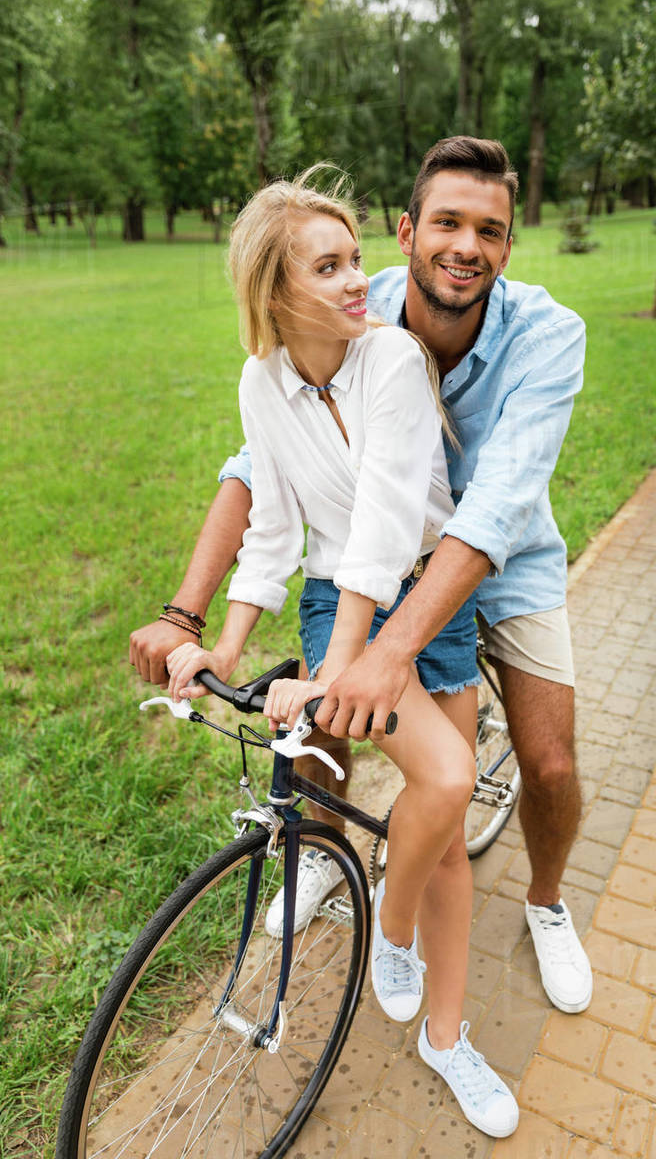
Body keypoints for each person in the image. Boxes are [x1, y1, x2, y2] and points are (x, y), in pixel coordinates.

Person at [130, 135, 593, 1018]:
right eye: (448, 223)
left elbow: (489, 511)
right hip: (373, 567)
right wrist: (191, 621)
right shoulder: (353, 301)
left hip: (502, 556)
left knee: (548, 757)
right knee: (328, 726)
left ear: (508, 245)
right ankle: (324, 854)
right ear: (408, 229)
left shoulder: (545, 334)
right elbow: (259, 480)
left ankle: (545, 900)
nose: (467, 246)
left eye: (490, 230)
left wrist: (378, 655)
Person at [162, 169, 519, 1139]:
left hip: (422, 593)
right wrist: (218, 644)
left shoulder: (392, 360)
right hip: (338, 599)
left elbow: (385, 517)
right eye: (329, 266)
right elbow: (275, 529)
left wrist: (342, 670)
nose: (359, 279)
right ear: (275, 291)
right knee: (443, 787)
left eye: (356, 257)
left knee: (442, 818)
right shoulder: (259, 382)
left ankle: (405, 962)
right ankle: (393, 932)